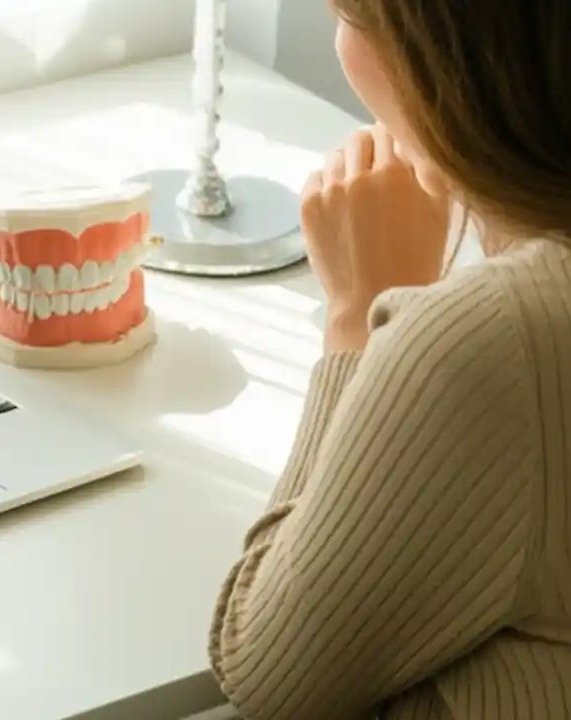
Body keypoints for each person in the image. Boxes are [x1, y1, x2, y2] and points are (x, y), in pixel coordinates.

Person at [208, 1, 571, 718]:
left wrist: (358, 316)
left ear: (452, 52)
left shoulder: (486, 345)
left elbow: (262, 670)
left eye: (348, 14)